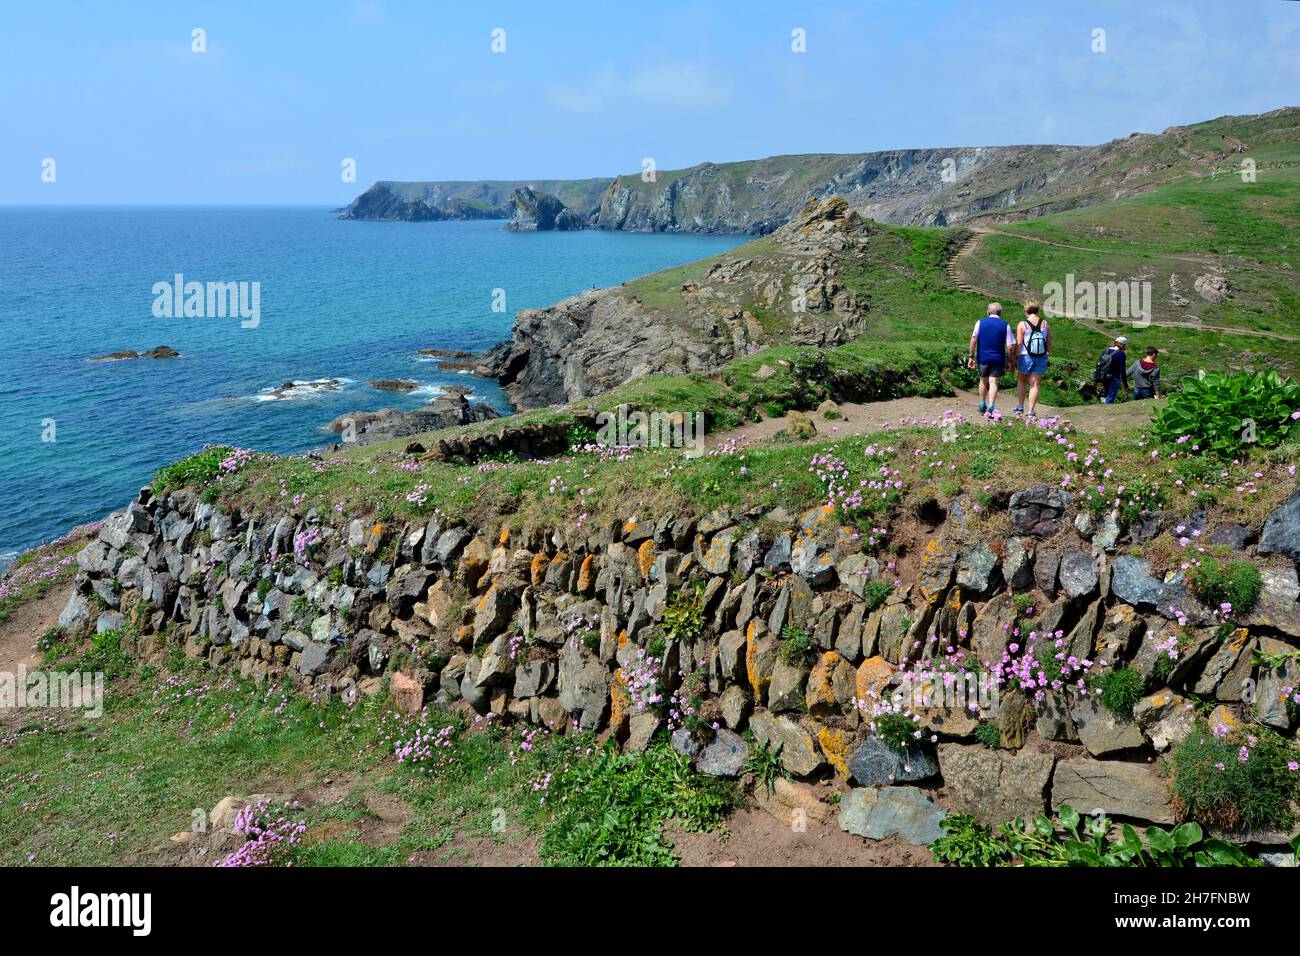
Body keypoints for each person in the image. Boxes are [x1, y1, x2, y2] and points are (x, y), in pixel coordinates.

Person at [967, 302, 1015, 415]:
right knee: (993, 382)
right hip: (998, 358)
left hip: (983, 357)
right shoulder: (1005, 325)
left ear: (988, 312)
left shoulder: (980, 322)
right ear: (1000, 313)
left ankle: (982, 404)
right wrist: (1009, 359)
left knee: (983, 380)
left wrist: (971, 356)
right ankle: (992, 406)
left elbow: (973, 340)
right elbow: (1010, 345)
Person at [1013, 301, 1050, 420]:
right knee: (1035, 385)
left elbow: (1019, 344)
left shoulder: (1022, 324)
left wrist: (1015, 357)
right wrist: (1046, 354)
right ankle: (1031, 411)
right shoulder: (1045, 324)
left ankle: (1020, 406)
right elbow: (1049, 343)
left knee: (1022, 381)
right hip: (1041, 356)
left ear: (1026, 311)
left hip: (1025, 356)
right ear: (1037, 310)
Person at [1096, 335, 1130, 404]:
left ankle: (1104, 410)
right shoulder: (1121, 354)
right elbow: (1122, 371)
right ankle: (1106, 412)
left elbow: (1098, 363)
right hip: (1114, 378)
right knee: (1110, 397)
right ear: (1121, 344)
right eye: (1125, 345)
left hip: (1104, 376)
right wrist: (1125, 385)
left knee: (1107, 395)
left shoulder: (1106, 350)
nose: (1125, 347)